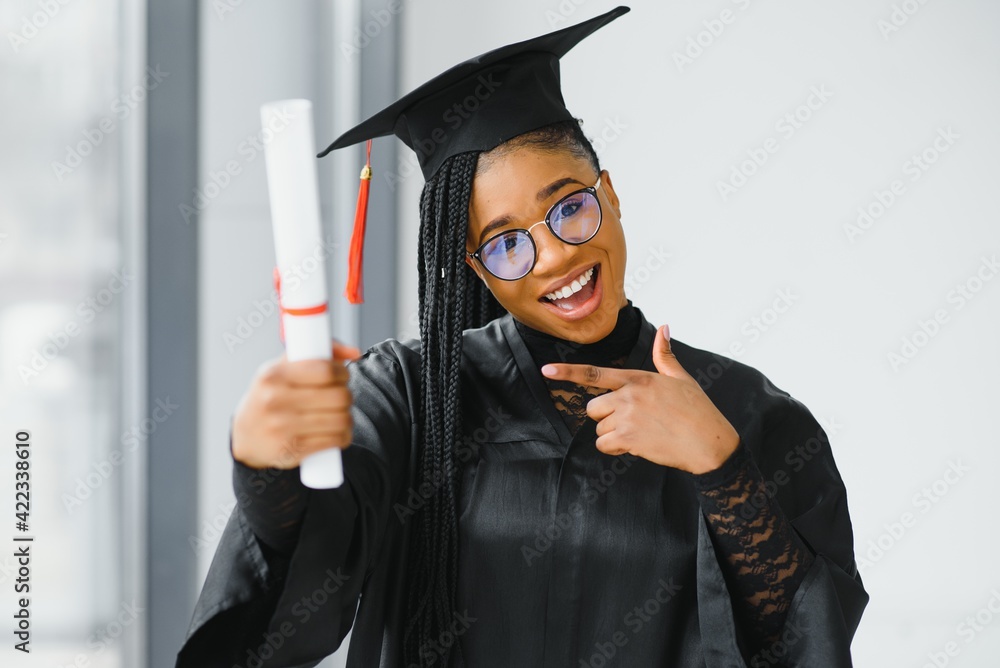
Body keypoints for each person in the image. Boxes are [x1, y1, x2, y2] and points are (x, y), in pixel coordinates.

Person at [176, 6, 868, 667]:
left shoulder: (748, 412)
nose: (556, 256)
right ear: (475, 266)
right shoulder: (408, 401)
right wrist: (269, 472)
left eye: (570, 206)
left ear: (611, 193)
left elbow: (806, 642)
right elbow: (301, 576)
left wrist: (723, 468)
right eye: (507, 244)